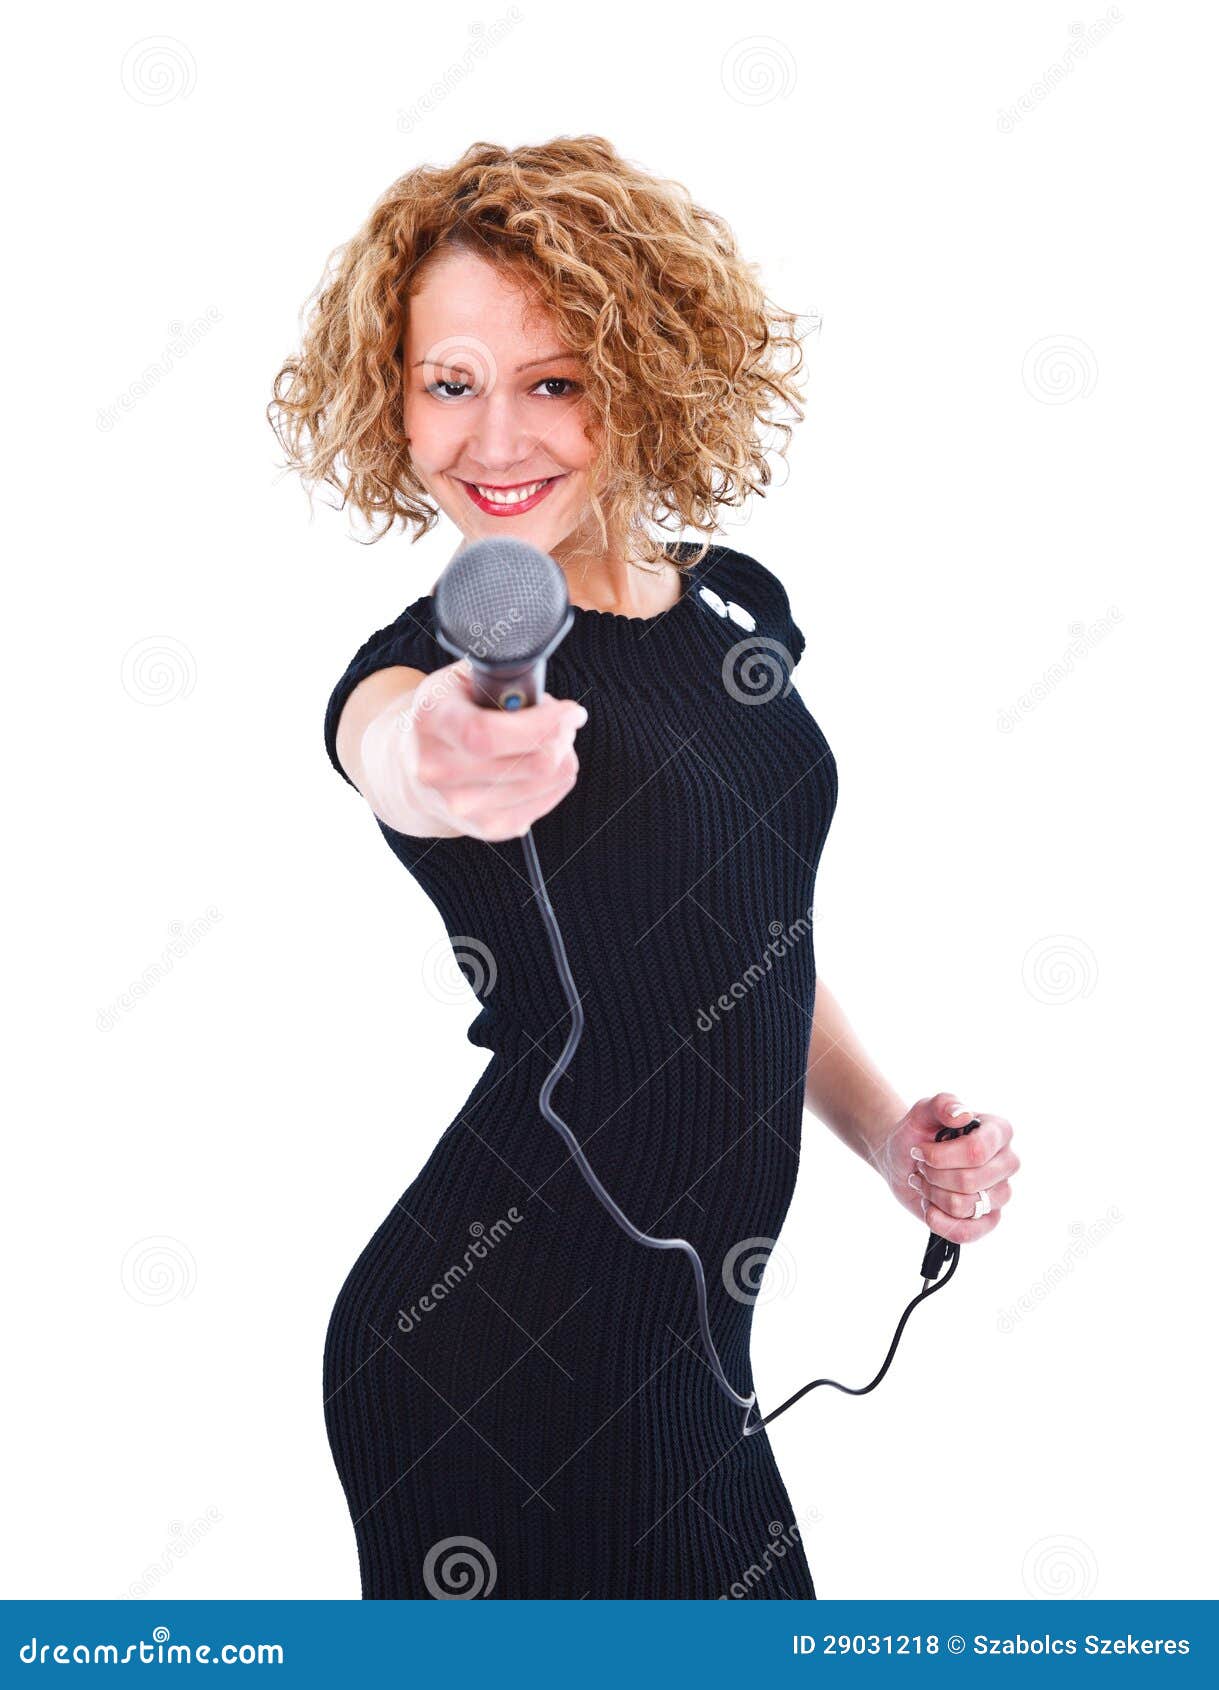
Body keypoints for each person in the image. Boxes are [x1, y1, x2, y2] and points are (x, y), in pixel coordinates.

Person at [269, 135, 1019, 1601]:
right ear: (394, 398)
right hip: (492, 1355)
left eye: (552, 381)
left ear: (647, 369)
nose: (494, 440)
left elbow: (754, 931)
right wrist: (434, 749)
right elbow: (398, 751)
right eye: (450, 384)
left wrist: (885, 1141)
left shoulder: (735, 602)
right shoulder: (432, 671)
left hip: (683, 1353)